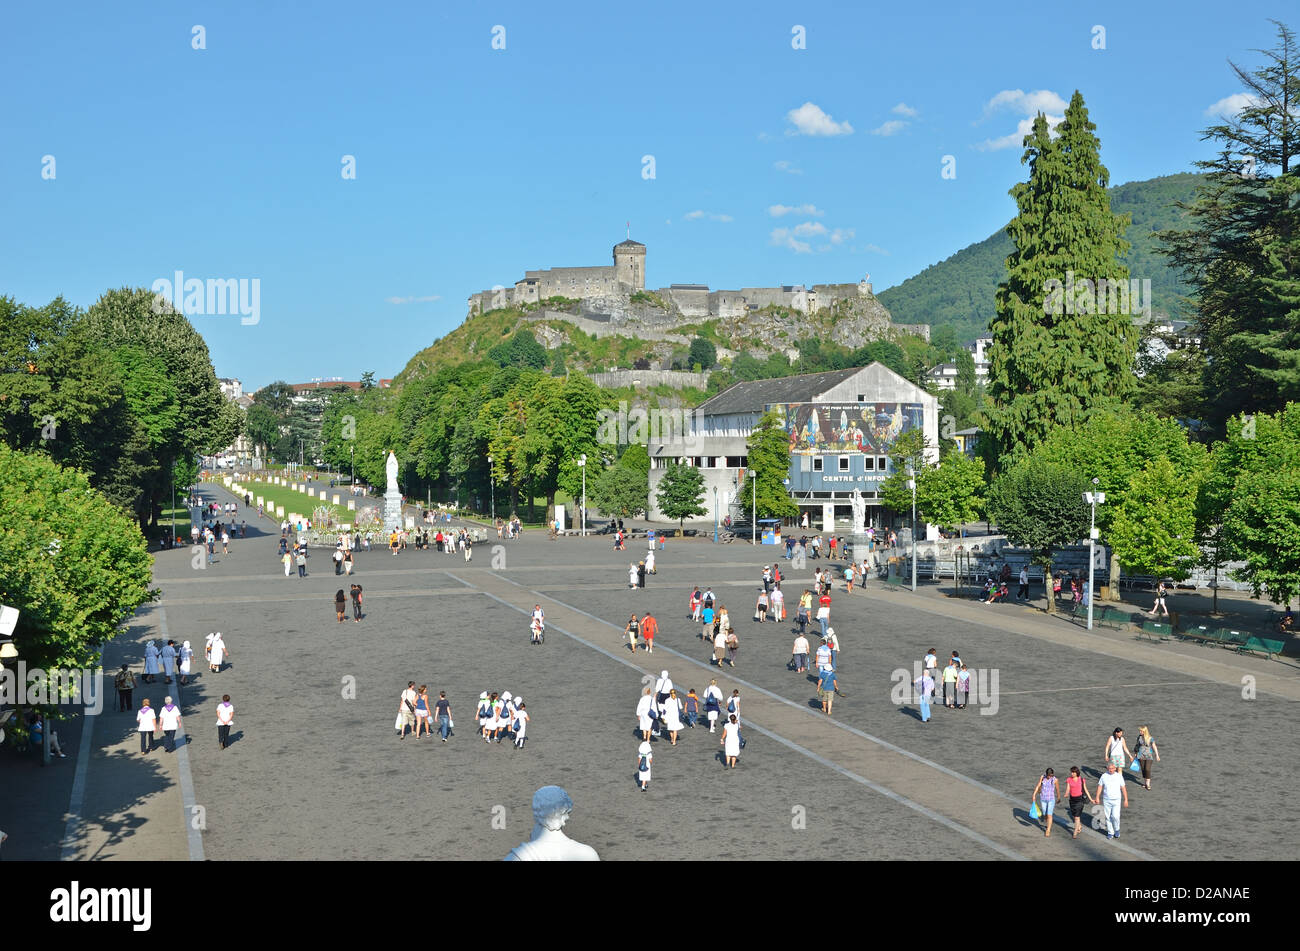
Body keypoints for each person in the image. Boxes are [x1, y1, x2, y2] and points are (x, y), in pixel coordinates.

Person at [1094, 762, 1129, 840]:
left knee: (1115, 816)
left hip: (1116, 800)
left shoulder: (1119, 776)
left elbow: (1123, 788)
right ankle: (1110, 832)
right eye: (1109, 769)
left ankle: (1117, 829)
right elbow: (1100, 787)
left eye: (1112, 768)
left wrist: (1126, 799)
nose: (1111, 770)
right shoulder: (1104, 776)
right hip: (1106, 800)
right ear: (1107, 769)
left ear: (1115, 768)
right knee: (1107, 816)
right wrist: (1097, 797)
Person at [1065, 766, 1093, 839]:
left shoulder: (1081, 780)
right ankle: (1079, 826)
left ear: (1076, 772)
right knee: (1075, 816)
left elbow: (1086, 790)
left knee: (1077, 817)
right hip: (1072, 800)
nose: (1072, 773)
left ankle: (1075, 832)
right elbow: (1068, 788)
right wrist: (1066, 793)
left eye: (1073, 772)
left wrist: (1091, 799)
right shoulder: (1069, 780)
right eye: (1071, 772)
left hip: (1079, 800)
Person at [1032, 767, 1059, 837]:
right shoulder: (1042, 777)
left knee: (1049, 815)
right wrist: (1034, 794)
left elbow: (1057, 789)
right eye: (1049, 775)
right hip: (1043, 798)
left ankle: (1048, 830)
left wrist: (1059, 797)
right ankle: (1045, 818)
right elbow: (1038, 785)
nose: (1050, 776)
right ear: (1046, 774)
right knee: (1044, 813)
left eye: (1051, 775)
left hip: (1051, 799)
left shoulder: (1055, 780)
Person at [1134, 726, 1160, 791]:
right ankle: (1145, 783)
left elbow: (1154, 746)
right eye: (1140, 731)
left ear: (1144, 731)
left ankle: (1148, 784)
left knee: (1147, 769)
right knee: (1143, 769)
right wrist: (1136, 753)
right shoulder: (1139, 737)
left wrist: (1157, 755)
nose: (1140, 732)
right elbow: (1137, 745)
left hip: (1148, 756)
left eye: (1141, 731)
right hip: (1140, 755)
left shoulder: (1150, 738)